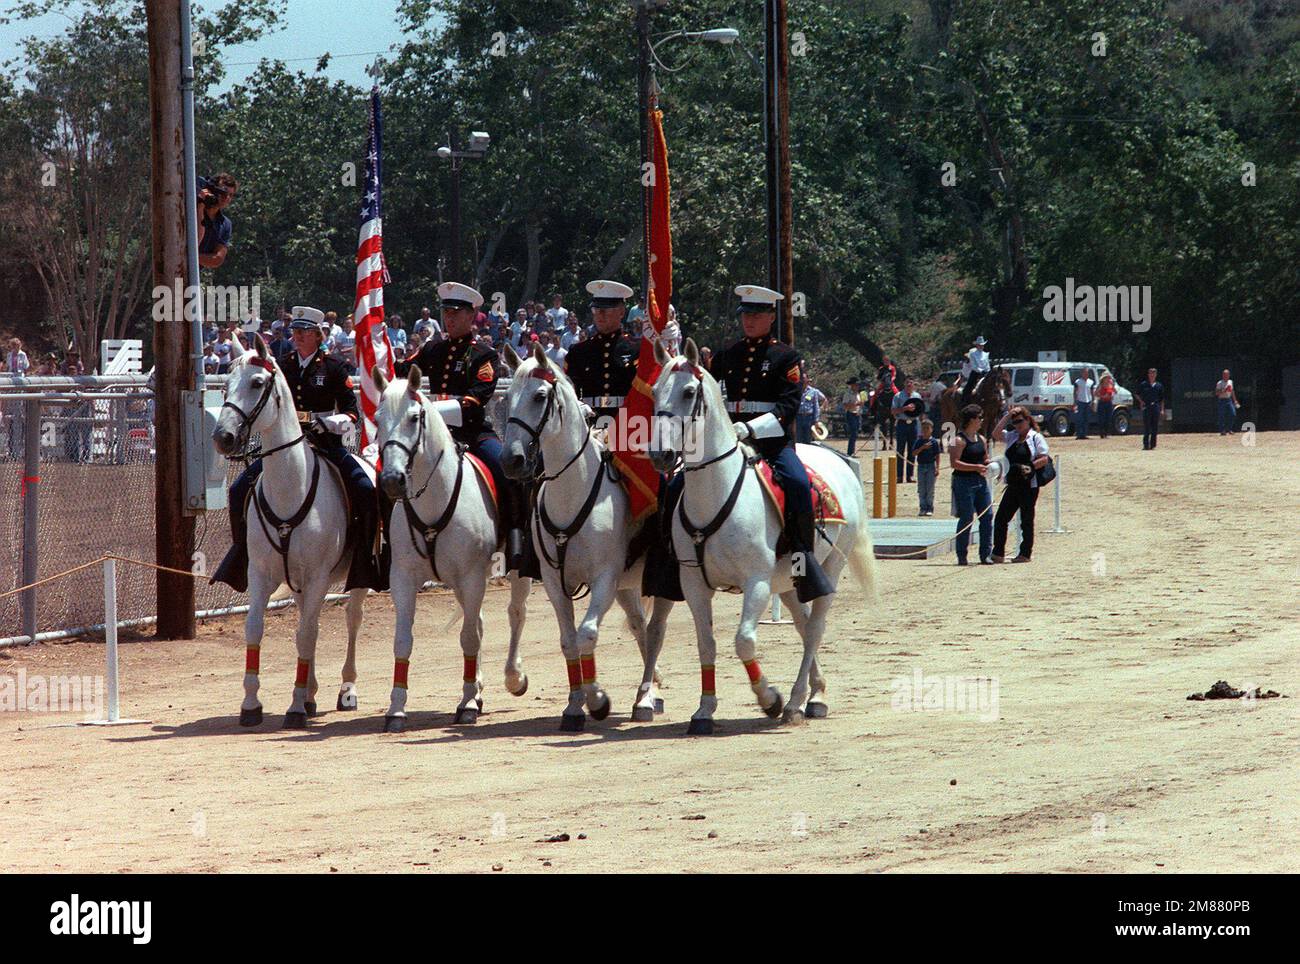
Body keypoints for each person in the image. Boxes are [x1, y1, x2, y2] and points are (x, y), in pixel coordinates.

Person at [655, 284, 835, 603]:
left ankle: (802, 560)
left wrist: (750, 429)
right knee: (674, 487)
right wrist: (673, 344)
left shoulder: (786, 357)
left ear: (770, 317)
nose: (748, 321)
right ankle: (672, 560)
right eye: (745, 314)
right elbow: (693, 380)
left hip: (771, 444)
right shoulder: (729, 354)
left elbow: (787, 407)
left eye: (756, 314)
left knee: (797, 484)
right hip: (728, 443)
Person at [211, 305, 384, 593]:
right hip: (283, 448)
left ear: (318, 335)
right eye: (296, 331)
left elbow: (353, 413)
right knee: (238, 489)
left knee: (365, 489)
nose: (298, 336)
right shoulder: (284, 366)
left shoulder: (333, 367)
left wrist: (328, 423)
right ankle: (242, 555)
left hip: (325, 445)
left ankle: (365, 559)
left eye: (305, 332)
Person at [395, 282, 538, 578]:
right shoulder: (433, 349)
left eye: (456, 313)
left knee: (507, 472)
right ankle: (392, 550)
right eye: (446, 312)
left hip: (472, 434)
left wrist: (431, 412)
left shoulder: (483, 355)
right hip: (434, 438)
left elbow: (475, 402)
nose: (449, 318)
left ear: (471, 315)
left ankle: (515, 540)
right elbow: (401, 370)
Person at [562, 279, 640, 424]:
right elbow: (568, 389)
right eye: (596, 310)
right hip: (589, 424)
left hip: (627, 423)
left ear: (621, 312)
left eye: (606, 310)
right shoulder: (578, 352)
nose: (600, 315)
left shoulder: (636, 349)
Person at [990, 406, 1050, 562]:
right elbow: (995, 434)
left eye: (1020, 421)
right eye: (1014, 422)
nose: (1017, 425)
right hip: (1013, 484)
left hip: (1029, 484)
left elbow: (1044, 458)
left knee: (1026, 520)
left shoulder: (1035, 437)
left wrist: (1029, 467)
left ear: (1028, 420)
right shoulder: (1012, 437)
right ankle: (998, 552)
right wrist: (1007, 416)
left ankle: (1025, 553)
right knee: (1001, 518)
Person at [949, 404, 993, 566]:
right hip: (963, 482)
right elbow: (955, 463)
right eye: (979, 418)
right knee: (967, 517)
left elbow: (984, 458)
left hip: (980, 481)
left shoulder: (981, 439)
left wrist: (991, 464)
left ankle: (985, 554)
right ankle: (962, 554)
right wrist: (976, 467)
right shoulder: (958, 440)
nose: (981, 421)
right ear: (972, 419)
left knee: (987, 516)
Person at [196, 172, 238, 270]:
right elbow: (196, 236)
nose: (226, 198)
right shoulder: (191, 211)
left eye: (231, 195)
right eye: (223, 192)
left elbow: (217, 259)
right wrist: (201, 204)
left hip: (194, 273)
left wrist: (190, 257)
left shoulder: (225, 224)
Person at [891, 378, 924, 482]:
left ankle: (910, 475)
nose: (909, 385)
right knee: (900, 450)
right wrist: (905, 408)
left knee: (912, 450)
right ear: (904, 384)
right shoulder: (898, 396)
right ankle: (899, 476)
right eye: (907, 383)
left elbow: (921, 410)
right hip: (902, 424)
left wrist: (922, 425)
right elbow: (893, 411)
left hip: (913, 424)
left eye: (911, 383)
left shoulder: (917, 396)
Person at [913, 418, 942, 516]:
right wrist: (922, 448)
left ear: (931, 429)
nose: (925, 430)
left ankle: (930, 507)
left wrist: (937, 468)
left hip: (930, 466)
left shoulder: (934, 442)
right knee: (921, 488)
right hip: (921, 466)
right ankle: (922, 507)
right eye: (923, 428)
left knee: (930, 488)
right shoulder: (919, 441)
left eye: (927, 428)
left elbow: (937, 455)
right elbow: (914, 453)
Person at [795, 368, 828, 444]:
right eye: (801, 378)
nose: (802, 380)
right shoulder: (796, 391)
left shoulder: (813, 392)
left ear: (807, 380)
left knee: (808, 439)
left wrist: (816, 420)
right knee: (798, 439)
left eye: (803, 378)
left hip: (809, 418)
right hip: (798, 418)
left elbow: (816, 406)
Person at [1135, 367, 1164, 450]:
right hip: (1146, 407)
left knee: (1155, 427)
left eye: (1153, 374)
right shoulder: (1144, 384)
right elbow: (1137, 394)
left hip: (1155, 406)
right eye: (1150, 373)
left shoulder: (1159, 386)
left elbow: (1161, 399)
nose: (1152, 375)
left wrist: (1162, 409)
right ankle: (1146, 445)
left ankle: (1153, 445)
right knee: (1147, 426)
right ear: (1148, 374)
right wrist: (1141, 401)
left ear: (1156, 375)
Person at [958, 335, 991, 408]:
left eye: (982, 345)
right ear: (977, 345)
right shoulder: (973, 354)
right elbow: (974, 366)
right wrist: (981, 371)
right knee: (969, 386)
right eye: (979, 345)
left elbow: (987, 364)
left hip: (985, 373)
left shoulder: (986, 354)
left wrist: (987, 370)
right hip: (976, 373)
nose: (981, 346)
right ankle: (964, 402)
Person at [841, 376, 863, 456]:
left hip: (857, 414)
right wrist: (856, 404)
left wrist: (861, 404)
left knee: (856, 433)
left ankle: (852, 451)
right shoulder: (848, 394)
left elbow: (861, 404)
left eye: (858, 385)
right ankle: (850, 452)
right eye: (856, 385)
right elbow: (845, 405)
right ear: (852, 385)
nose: (858, 386)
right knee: (853, 432)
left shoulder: (859, 394)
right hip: (850, 414)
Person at [1215, 369, 1239, 435]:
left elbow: (1232, 391)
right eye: (1224, 374)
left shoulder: (1230, 382)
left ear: (1229, 375)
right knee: (1222, 415)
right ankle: (1222, 430)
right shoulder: (1219, 383)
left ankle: (1229, 429)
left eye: (1227, 374)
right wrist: (1224, 390)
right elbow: (1216, 393)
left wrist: (1235, 400)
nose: (1226, 376)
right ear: (1223, 375)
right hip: (1222, 400)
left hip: (1229, 400)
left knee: (1233, 414)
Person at [1073, 366, 1095, 439]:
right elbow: (1075, 392)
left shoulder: (1091, 382)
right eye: (1084, 372)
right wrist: (1075, 402)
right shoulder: (1078, 382)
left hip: (1088, 401)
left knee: (1086, 418)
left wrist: (1093, 401)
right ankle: (1079, 434)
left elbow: (1092, 392)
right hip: (1080, 401)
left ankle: (1084, 434)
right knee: (1080, 419)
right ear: (1082, 373)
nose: (1086, 374)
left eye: (1087, 373)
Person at [1095, 372, 1117, 438]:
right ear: (1103, 378)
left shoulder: (1110, 385)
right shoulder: (1100, 385)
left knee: (1108, 418)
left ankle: (1106, 433)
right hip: (1102, 403)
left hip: (1109, 403)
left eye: (1108, 377)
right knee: (1102, 419)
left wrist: (1113, 389)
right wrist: (1102, 396)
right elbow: (1095, 393)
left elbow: (1115, 392)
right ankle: (1102, 433)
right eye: (1107, 377)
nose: (1108, 379)